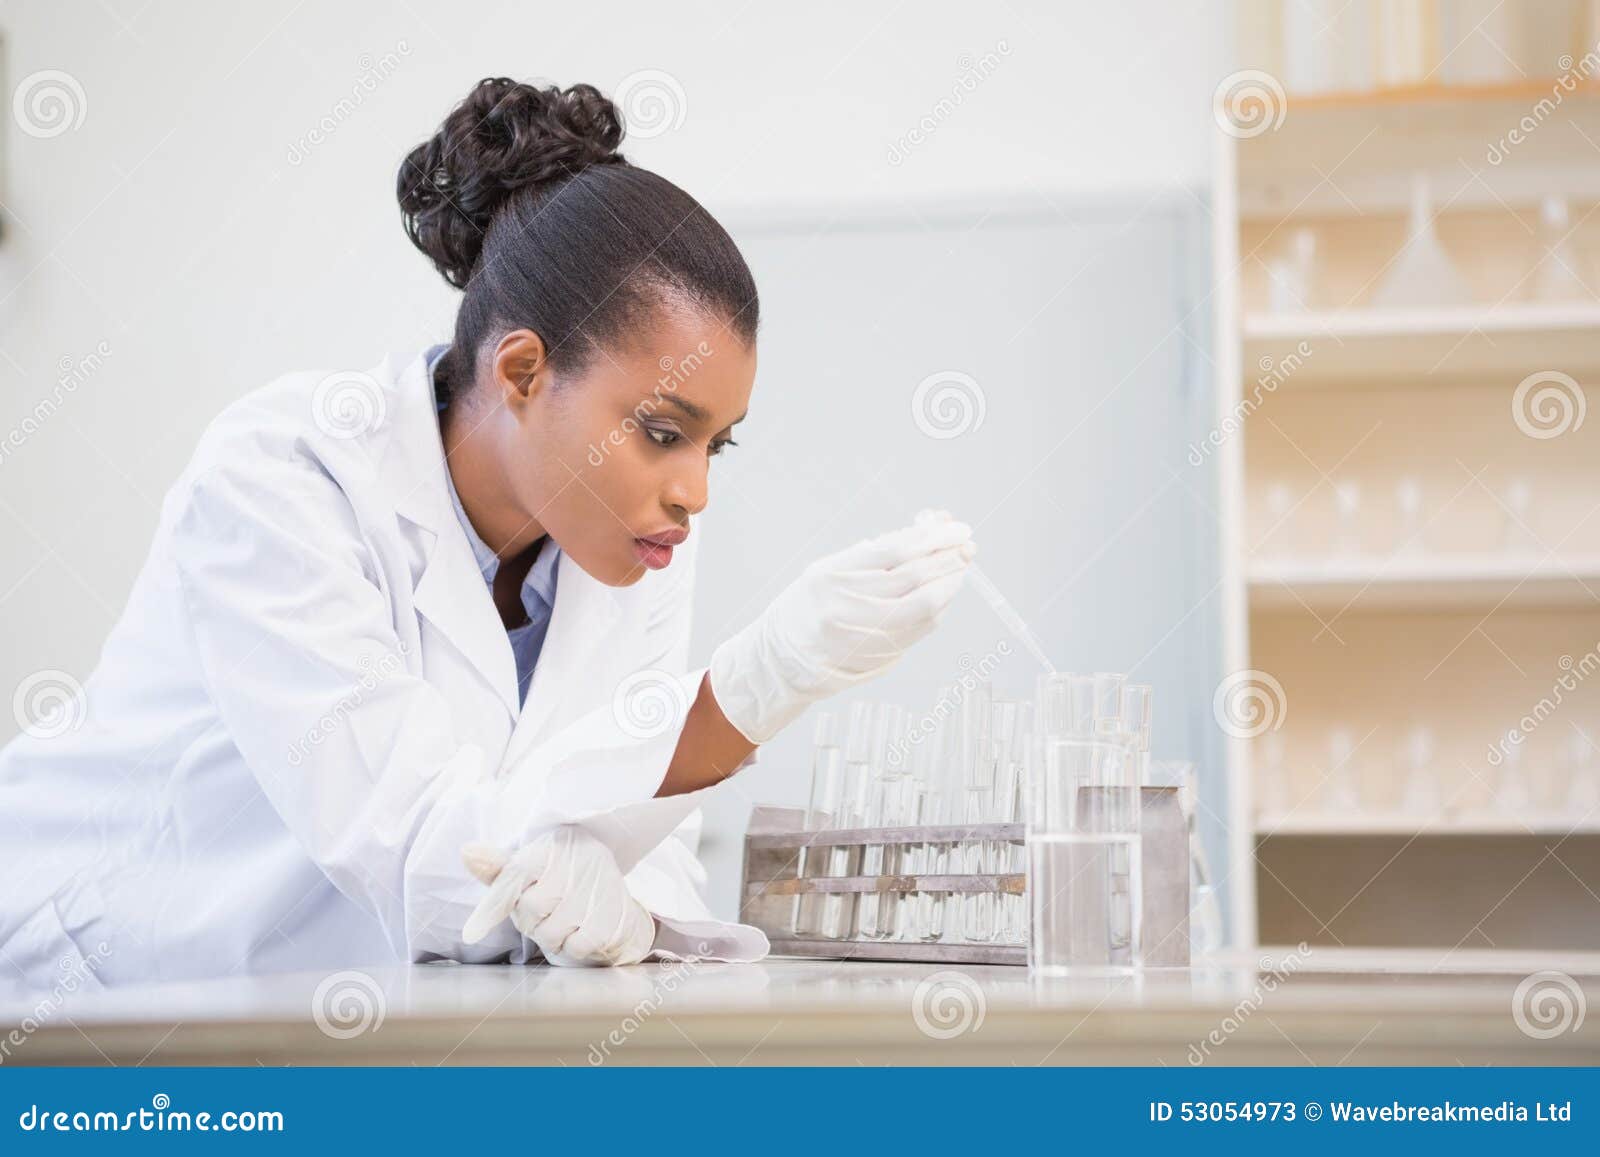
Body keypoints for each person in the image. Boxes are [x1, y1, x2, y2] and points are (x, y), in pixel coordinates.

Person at [0, 77, 975, 990]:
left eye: (715, 445)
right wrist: (757, 686)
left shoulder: (629, 538)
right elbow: (423, 847)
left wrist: (628, 911)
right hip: (91, 992)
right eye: (661, 431)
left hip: (329, 1013)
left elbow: (636, 846)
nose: (694, 491)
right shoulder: (286, 477)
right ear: (521, 372)